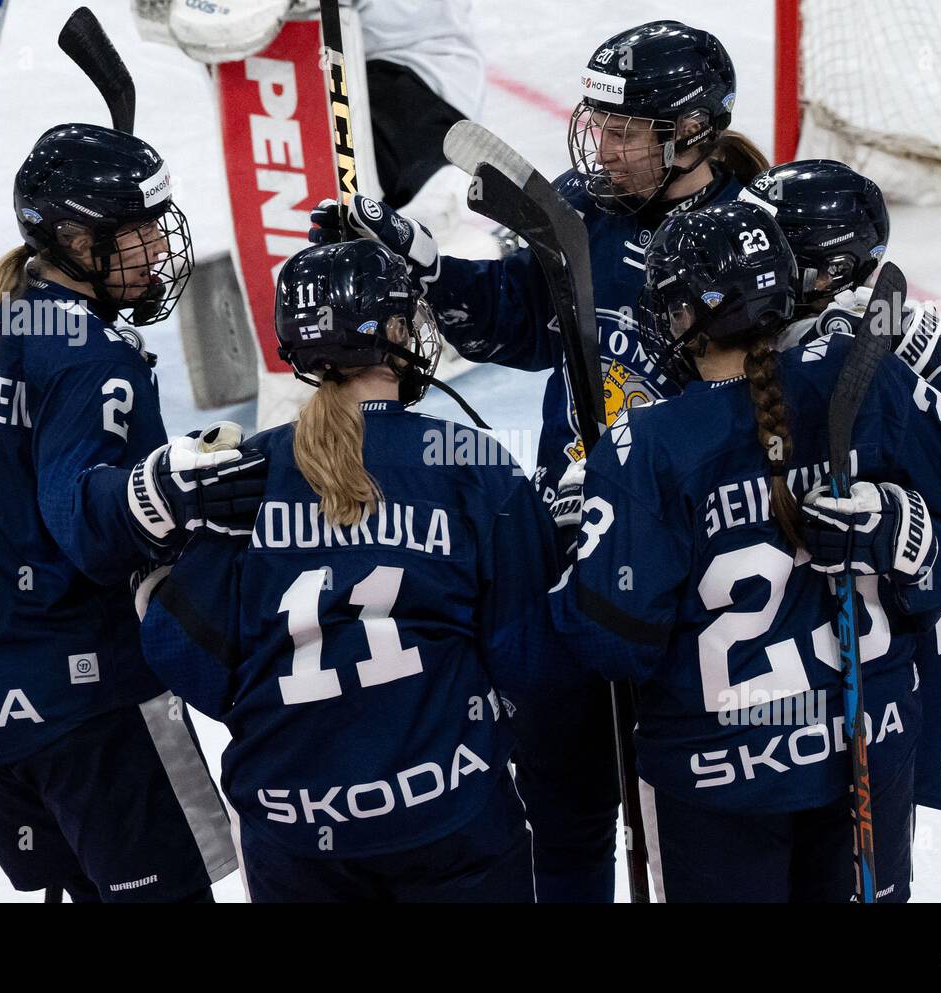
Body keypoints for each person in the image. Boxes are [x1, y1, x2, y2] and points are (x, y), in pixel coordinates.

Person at [310, 18, 772, 902]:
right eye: (599, 124)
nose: (604, 147)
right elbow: (519, 323)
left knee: (695, 821)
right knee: (563, 812)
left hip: (698, 579)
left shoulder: (748, 236)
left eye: (629, 130)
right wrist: (429, 269)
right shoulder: (584, 209)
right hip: (571, 553)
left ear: (694, 134)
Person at [550, 200, 941, 901]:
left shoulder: (645, 444)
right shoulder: (857, 378)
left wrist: (574, 540)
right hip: (865, 742)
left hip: (713, 774)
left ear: (681, 317)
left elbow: (613, 643)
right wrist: (940, 381)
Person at [0, 121, 267, 902]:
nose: (156, 252)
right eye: (133, 235)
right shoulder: (94, 359)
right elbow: (85, 521)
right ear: (71, 239)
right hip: (75, 701)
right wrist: (164, 488)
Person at [137, 239, 559, 902]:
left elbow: (185, 656)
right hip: (443, 810)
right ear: (394, 332)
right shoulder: (469, 463)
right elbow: (528, 660)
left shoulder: (240, 473)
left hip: (292, 820)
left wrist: (155, 591)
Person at [747, 158, 941, 814]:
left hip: (868, 687)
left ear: (826, 267)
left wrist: (907, 532)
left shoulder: (888, 375)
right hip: (759, 704)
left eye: (766, 245)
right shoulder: (738, 353)